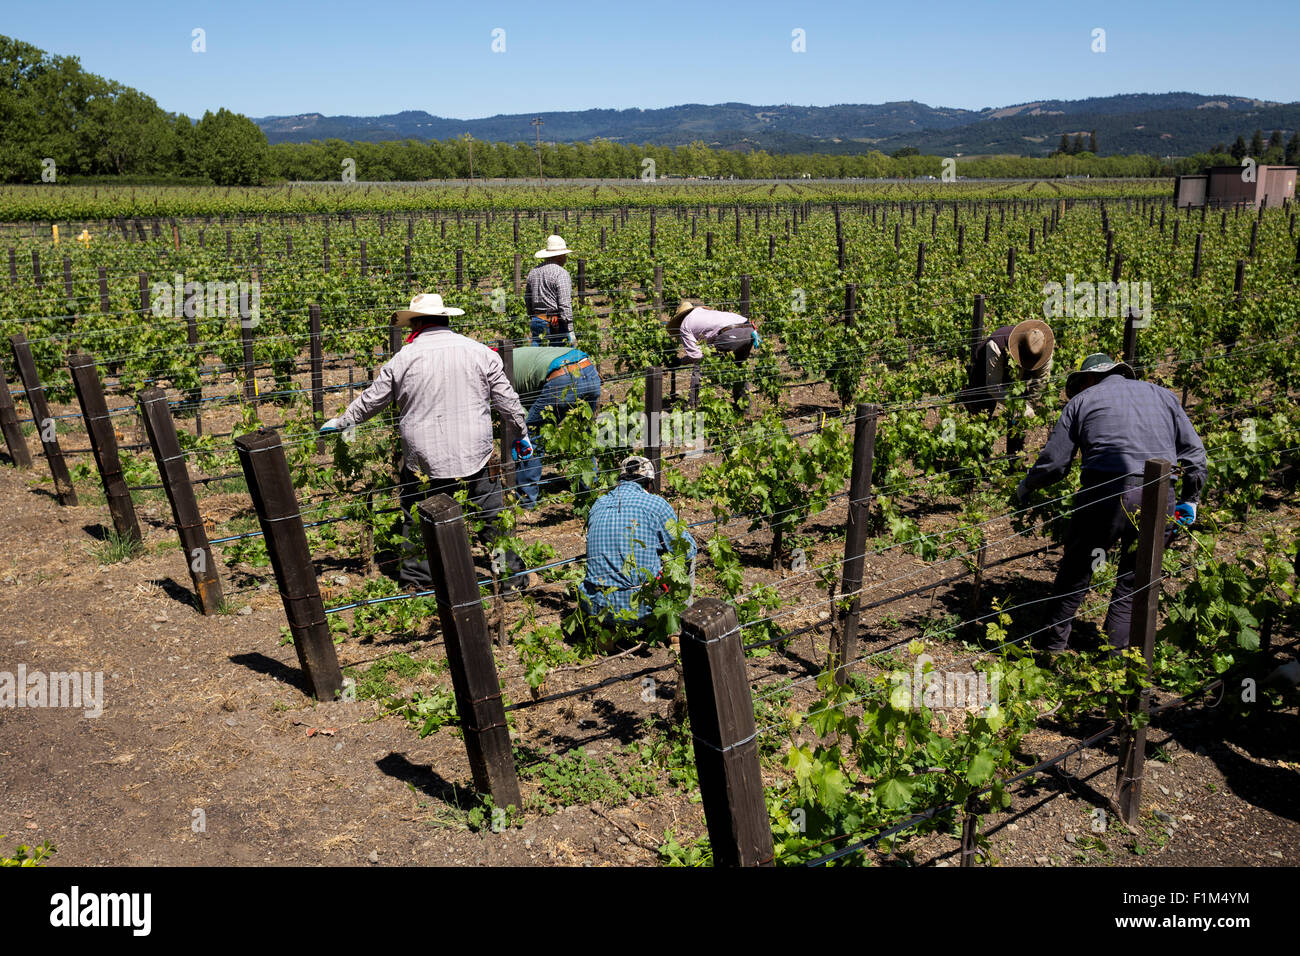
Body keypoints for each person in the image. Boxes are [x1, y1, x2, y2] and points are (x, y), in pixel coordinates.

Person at [321, 293, 533, 591]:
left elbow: (372, 402)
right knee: (491, 520)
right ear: (446, 319)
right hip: (475, 454)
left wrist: (343, 422)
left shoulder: (403, 359)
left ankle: (419, 584)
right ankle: (509, 580)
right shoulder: (480, 352)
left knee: (418, 522)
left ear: (416, 325)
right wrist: (521, 433)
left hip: (424, 460)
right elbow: (507, 401)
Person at [1014, 353, 1207, 657]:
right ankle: (1115, 658)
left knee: (1078, 570)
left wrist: (1027, 486)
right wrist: (1190, 500)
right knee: (1135, 578)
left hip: (1106, 493)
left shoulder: (1081, 401)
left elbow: (1054, 462)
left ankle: (1051, 649)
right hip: (1160, 493)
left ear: (1089, 379)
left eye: (1080, 384)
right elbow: (1195, 455)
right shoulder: (1163, 395)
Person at [578, 456, 696, 639]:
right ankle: (677, 631)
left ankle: (606, 632)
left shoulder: (598, 504)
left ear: (621, 480)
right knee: (686, 559)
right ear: (649, 483)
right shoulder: (655, 504)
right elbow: (687, 550)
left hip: (597, 605)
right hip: (641, 607)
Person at [509, 345, 602, 509]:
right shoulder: (514, 355)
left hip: (561, 378)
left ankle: (526, 500)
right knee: (583, 433)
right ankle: (589, 488)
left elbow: (514, 409)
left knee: (531, 434)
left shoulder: (499, 370)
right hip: (588, 369)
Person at [667, 299, 759, 407]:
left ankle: (693, 406)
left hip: (731, 333)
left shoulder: (685, 326)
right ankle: (744, 407)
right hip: (749, 330)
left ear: (679, 319)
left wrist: (680, 362)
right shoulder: (703, 314)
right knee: (740, 367)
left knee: (700, 367)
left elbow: (697, 357)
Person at [965, 319, 1055, 416]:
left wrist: (1029, 404)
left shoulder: (1042, 349)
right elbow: (993, 386)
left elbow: (1041, 380)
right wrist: (1017, 406)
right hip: (984, 371)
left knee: (1020, 412)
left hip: (1016, 377)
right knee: (981, 409)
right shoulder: (997, 345)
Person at [525, 235, 575, 346]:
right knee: (559, 358)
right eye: (565, 255)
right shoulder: (561, 273)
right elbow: (565, 304)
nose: (566, 258)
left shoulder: (533, 272)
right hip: (555, 323)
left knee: (537, 357)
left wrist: (532, 316)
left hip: (536, 320)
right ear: (559, 256)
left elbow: (527, 299)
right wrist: (570, 329)